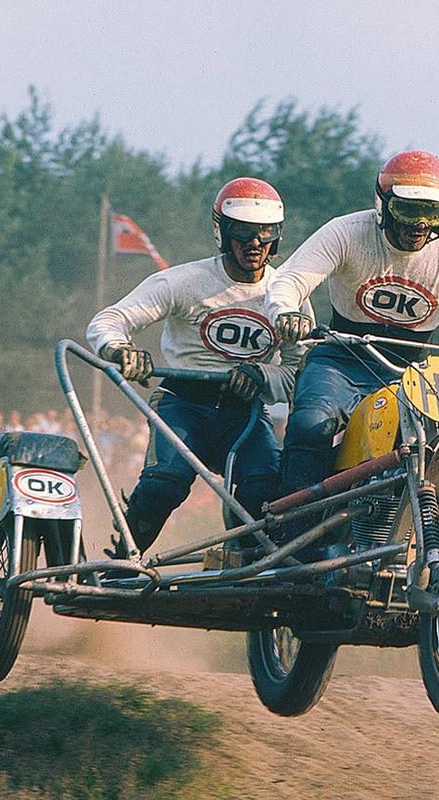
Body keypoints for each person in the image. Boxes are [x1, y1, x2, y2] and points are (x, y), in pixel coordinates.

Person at [264, 149, 439, 514]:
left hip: (411, 373)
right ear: (383, 205)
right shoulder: (347, 233)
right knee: (311, 424)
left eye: (434, 213)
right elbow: (290, 280)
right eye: (410, 211)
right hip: (340, 359)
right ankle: (292, 534)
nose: (420, 225)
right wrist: (286, 312)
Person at [86, 177, 312, 558]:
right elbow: (107, 321)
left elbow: (299, 373)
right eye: (242, 233)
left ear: (277, 237)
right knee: (166, 483)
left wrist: (261, 376)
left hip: (245, 413)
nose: (254, 244)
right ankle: (122, 563)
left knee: (265, 493)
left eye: (265, 233)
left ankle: (245, 571)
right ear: (221, 232)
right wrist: (121, 350)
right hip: (182, 404)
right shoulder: (184, 281)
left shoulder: (289, 295)